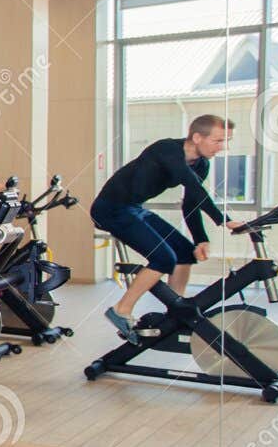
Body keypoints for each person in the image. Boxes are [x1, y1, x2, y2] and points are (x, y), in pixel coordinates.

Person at [91, 114, 243, 339]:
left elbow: (191, 202)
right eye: (218, 141)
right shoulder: (167, 149)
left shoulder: (202, 164)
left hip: (133, 208)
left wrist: (200, 239)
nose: (223, 147)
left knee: (184, 253)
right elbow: (193, 186)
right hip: (110, 208)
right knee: (164, 258)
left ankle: (175, 312)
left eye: (226, 141)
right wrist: (224, 220)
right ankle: (121, 310)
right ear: (197, 137)